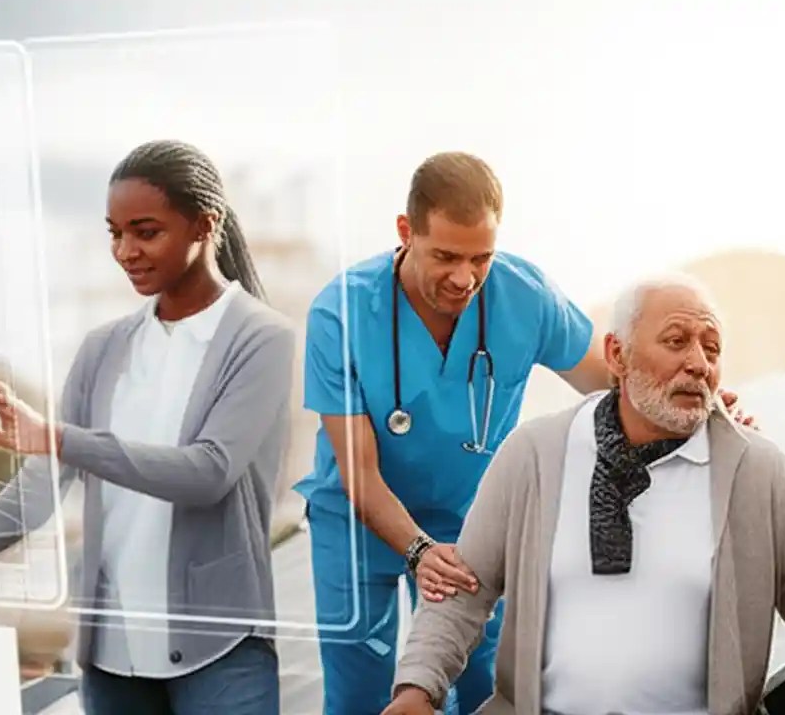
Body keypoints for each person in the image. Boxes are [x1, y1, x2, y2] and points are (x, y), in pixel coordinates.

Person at [299, 152, 752, 715]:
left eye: (480, 258)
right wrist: (417, 550)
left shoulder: (522, 295)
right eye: (445, 256)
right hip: (357, 520)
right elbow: (358, 472)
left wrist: (695, 404)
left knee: (484, 678)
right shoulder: (340, 313)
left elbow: (612, 380)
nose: (464, 278)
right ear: (405, 232)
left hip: (469, 514)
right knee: (358, 690)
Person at [380, 274, 785, 715]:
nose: (698, 363)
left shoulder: (756, 469)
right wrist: (417, 688)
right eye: (676, 341)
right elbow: (463, 590)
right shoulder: (533, 456)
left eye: (712, 348)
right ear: (617, 354)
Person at [0, 139, 294, 714]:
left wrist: (60, 438)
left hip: (221, 653)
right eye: (115, 233)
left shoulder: (261, 338)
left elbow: (208, 472)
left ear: (204, 225)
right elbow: (42, 486)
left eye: (146, 232)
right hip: (111, 657)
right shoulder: (103, 348)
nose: (125, 251)